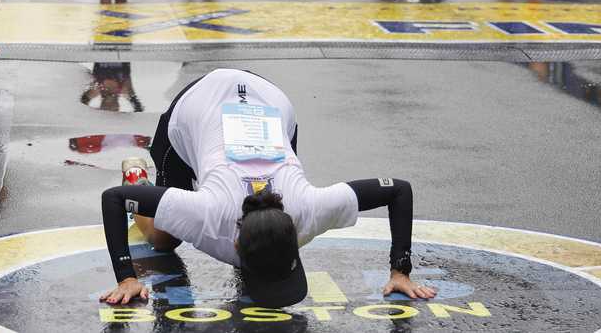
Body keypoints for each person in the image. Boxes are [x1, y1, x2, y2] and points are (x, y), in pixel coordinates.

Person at [98, 68, 437, 307]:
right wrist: (127, 277)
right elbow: (115, 199)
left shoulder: (309, 207)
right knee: (163, 240)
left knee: (261, 245)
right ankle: (138, 175)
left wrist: (401, 271)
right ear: (233, 240)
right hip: (196, 106)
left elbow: (398, 190)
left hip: (269, 101)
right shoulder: (208, 214)